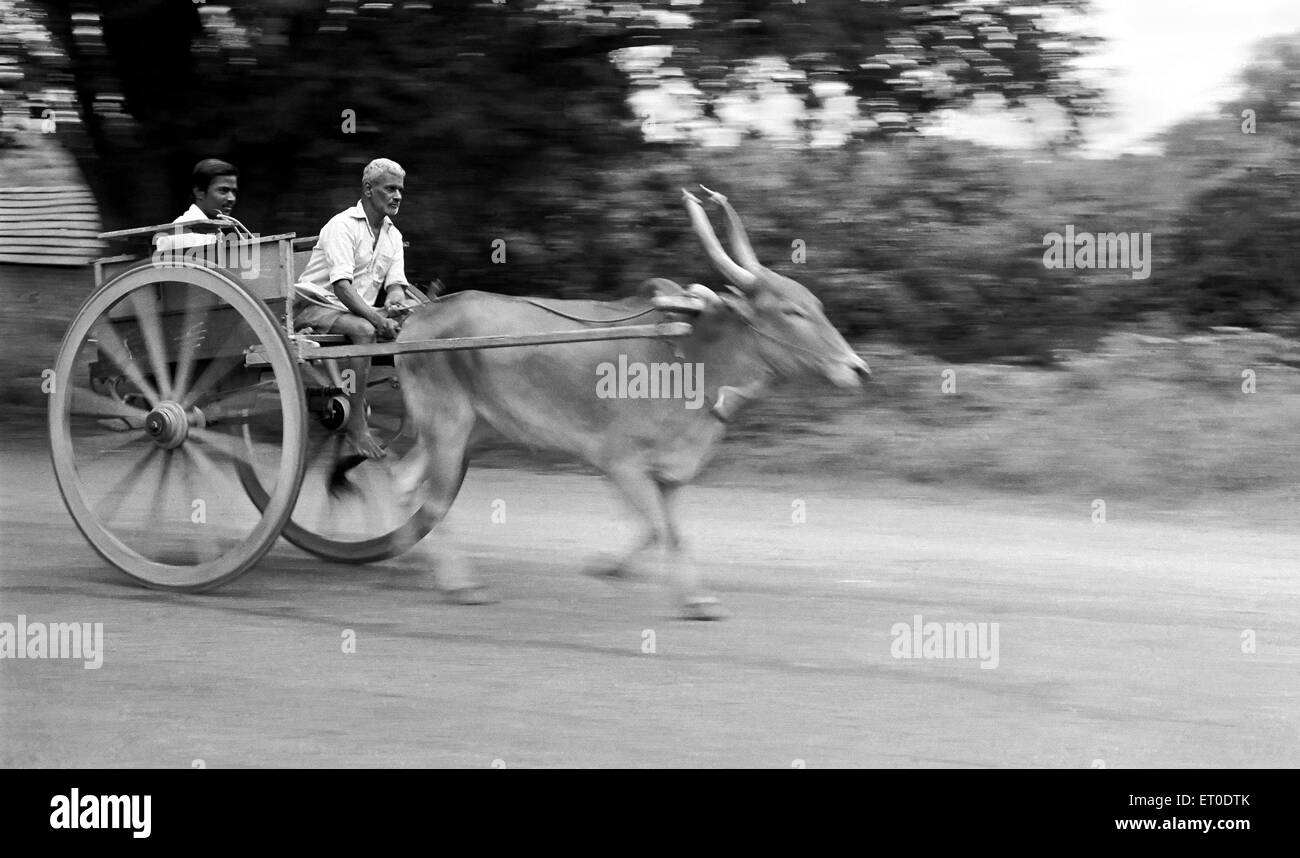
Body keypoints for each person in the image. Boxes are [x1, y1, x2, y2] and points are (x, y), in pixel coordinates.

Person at [293, 158, 419, 459]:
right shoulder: (342, 226)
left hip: (351, 312)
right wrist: (377, 319)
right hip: (314, 308)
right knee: (365, 330)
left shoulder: (393, 235)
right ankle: (356, 425)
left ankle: (419, 416)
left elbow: (395, 286)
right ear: (368, 189)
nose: (397, 196)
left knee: (418, 322)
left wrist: (395, 303)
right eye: (390, 189)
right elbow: (342, 288)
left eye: (400, 190)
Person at [154, 159, 250, 254]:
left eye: (234, 192)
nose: (231, 198)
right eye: (223, 190)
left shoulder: (214, 230)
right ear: (199, 192)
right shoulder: (183, 232)